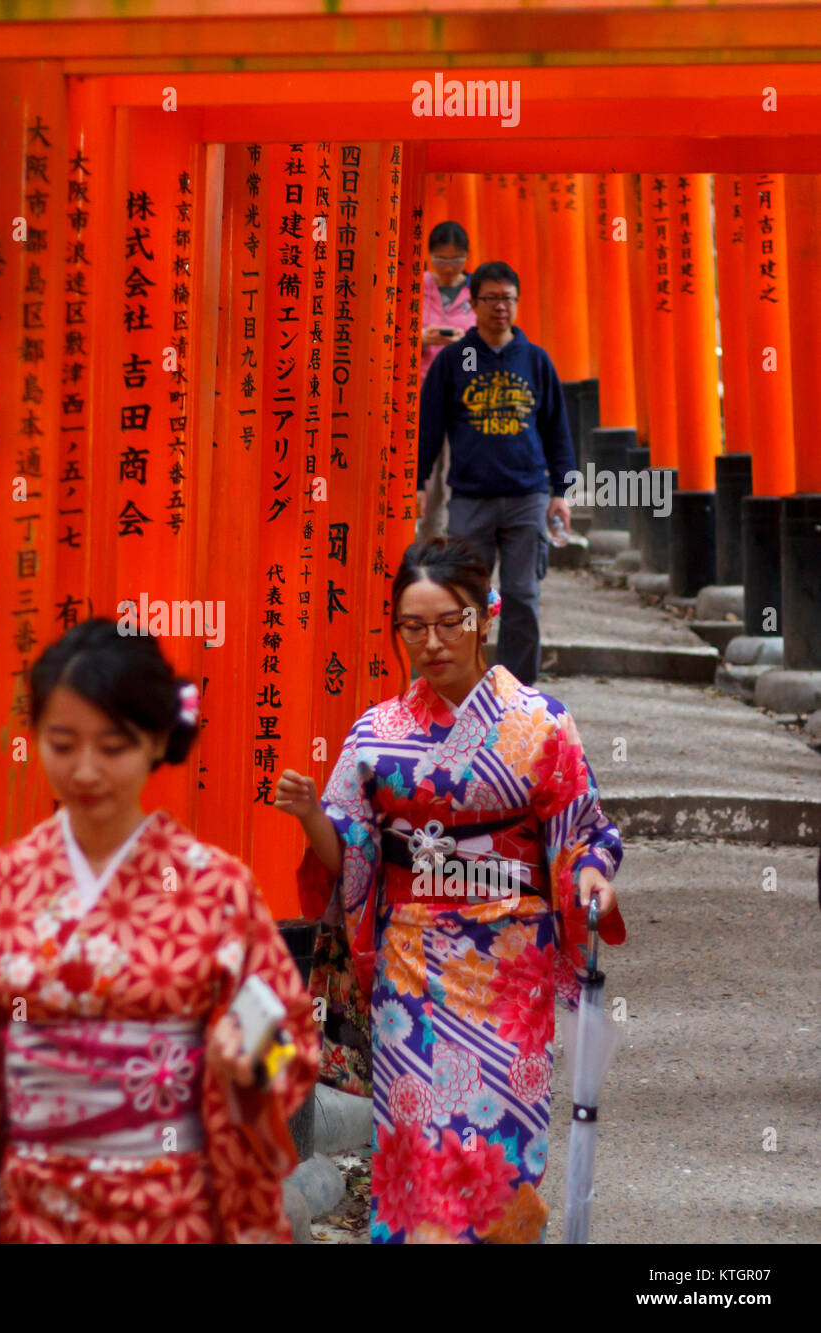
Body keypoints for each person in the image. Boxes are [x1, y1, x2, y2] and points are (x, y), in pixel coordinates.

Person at [0, 617, 318, 1243]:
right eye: (62, 744)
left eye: (112, 746)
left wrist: (249, 1058)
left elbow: (290, 1037)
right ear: (34, 736)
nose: (85, 771)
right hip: (29, 1208)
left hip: (175, 1205)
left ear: (155, 740)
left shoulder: (216, 887)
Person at [275, 537, 625, 1244]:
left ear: (485, 616)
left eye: (449, 622)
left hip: (511, 966)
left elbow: (584, 828)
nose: (431, 642)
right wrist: (314, 814)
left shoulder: (542, 725)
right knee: (418, 1151)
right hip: (414, 970)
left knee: (500, 1152)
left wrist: (591, 874)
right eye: (413, 626)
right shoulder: (377, 733)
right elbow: (348, 857)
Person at [417, 260, 576, 685]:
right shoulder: (455, 361)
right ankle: (464, 682)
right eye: (490, 299)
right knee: (466, 598)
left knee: (523, 596)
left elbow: (557, 431)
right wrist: (417, 482)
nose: (500, 308)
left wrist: (562, 492)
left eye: (507, 299)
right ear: (473, 303)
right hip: (470, 497)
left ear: (517, 303)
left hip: (527, 497)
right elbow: (429, 428)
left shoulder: (536, 361)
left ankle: (516, 691)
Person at [417, 222, 478, 542]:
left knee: (460, 471)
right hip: (423, 392)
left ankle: (461, 543)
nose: (447, 268)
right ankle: (428, 544)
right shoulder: (416, 285)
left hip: (464, 396)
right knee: (427, 476)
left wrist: (462, 344)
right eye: (440, 260)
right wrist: (420, 338)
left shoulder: (477, 290)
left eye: (455, 260)